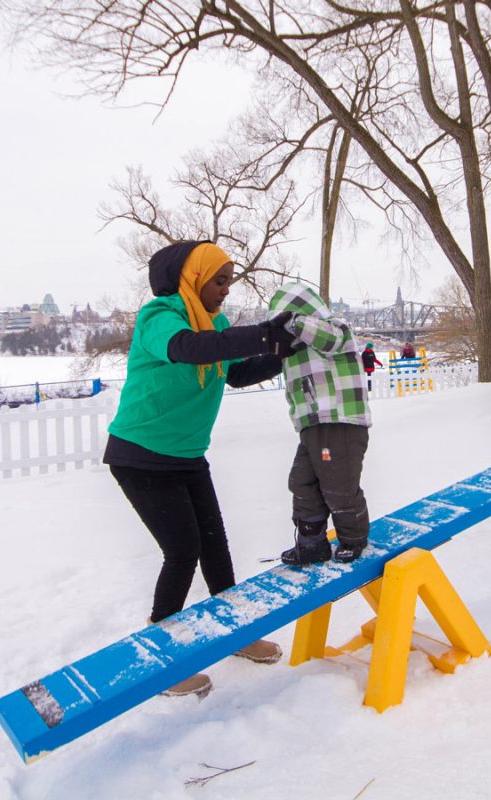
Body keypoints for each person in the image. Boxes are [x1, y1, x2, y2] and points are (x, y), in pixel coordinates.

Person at [103, 240, 297, 697]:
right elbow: (191, 348)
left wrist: (284, 351)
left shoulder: (219, 325)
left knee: (214, 545)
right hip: (140, 456)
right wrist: (266, 333)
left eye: (230, 280)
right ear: (193, 279)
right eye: (220, 280)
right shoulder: (161, 317)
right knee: (183, 549)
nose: (227, 289)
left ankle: (235, 632)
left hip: (188, 456)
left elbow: (236, 371)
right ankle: (162, 658)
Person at [267, 282, 372, 565]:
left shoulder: (335, 330)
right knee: (301, 481)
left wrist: (294, 321)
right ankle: (312, 542)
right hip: (313, 425)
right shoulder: (296, 347)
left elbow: (327, 338)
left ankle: (353, 537)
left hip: (340, 420)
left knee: (339, 484)